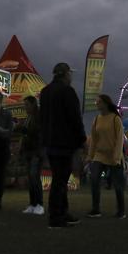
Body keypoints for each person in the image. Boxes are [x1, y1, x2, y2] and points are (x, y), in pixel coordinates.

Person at [40, 62, 86, 229]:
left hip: (50, 143)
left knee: (59, 178)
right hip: (64, 143)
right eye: (70, 74)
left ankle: (62, 212)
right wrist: (82, 140)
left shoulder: (44, 92)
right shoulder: (67, 91)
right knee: (60, 181)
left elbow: (42, 119)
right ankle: (56, 217)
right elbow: (74, 118)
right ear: (66, 74)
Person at [86, 94, 126, 219]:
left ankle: (121, 211)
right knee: (94, 180)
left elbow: (120, 139)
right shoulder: (96, 119)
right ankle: (95, 209)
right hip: (99, 155)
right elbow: (93, 139)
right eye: (96, 102)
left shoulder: (115, 119)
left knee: (117, 185)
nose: (96, 104)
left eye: (98, 102)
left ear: (105, 103)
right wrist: (90, 155)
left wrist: (116, 157)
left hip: (113, 155)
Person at [15, 96, 45, 215]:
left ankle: (40, 204)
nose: (25, 107)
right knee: (31, 178)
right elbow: (27, 134)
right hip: (29, 151)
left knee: (34, 177)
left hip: (36, 152)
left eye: (27, 105)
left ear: (33, 104)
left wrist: (22, 128)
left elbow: (36, 133)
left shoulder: (39, 117)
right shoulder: (29, 117)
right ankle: (33, 204)